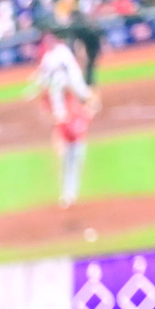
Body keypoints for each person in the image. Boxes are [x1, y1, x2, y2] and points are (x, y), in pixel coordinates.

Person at [30, 30, 100, 209]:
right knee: (68, 161)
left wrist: (87, 104)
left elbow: (75, 80)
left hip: (71, 126)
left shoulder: (63, 55)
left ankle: (70, 194)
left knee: (73, 160)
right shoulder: (49, 62)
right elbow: (45, 79)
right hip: (66, 121)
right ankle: (68, 194)